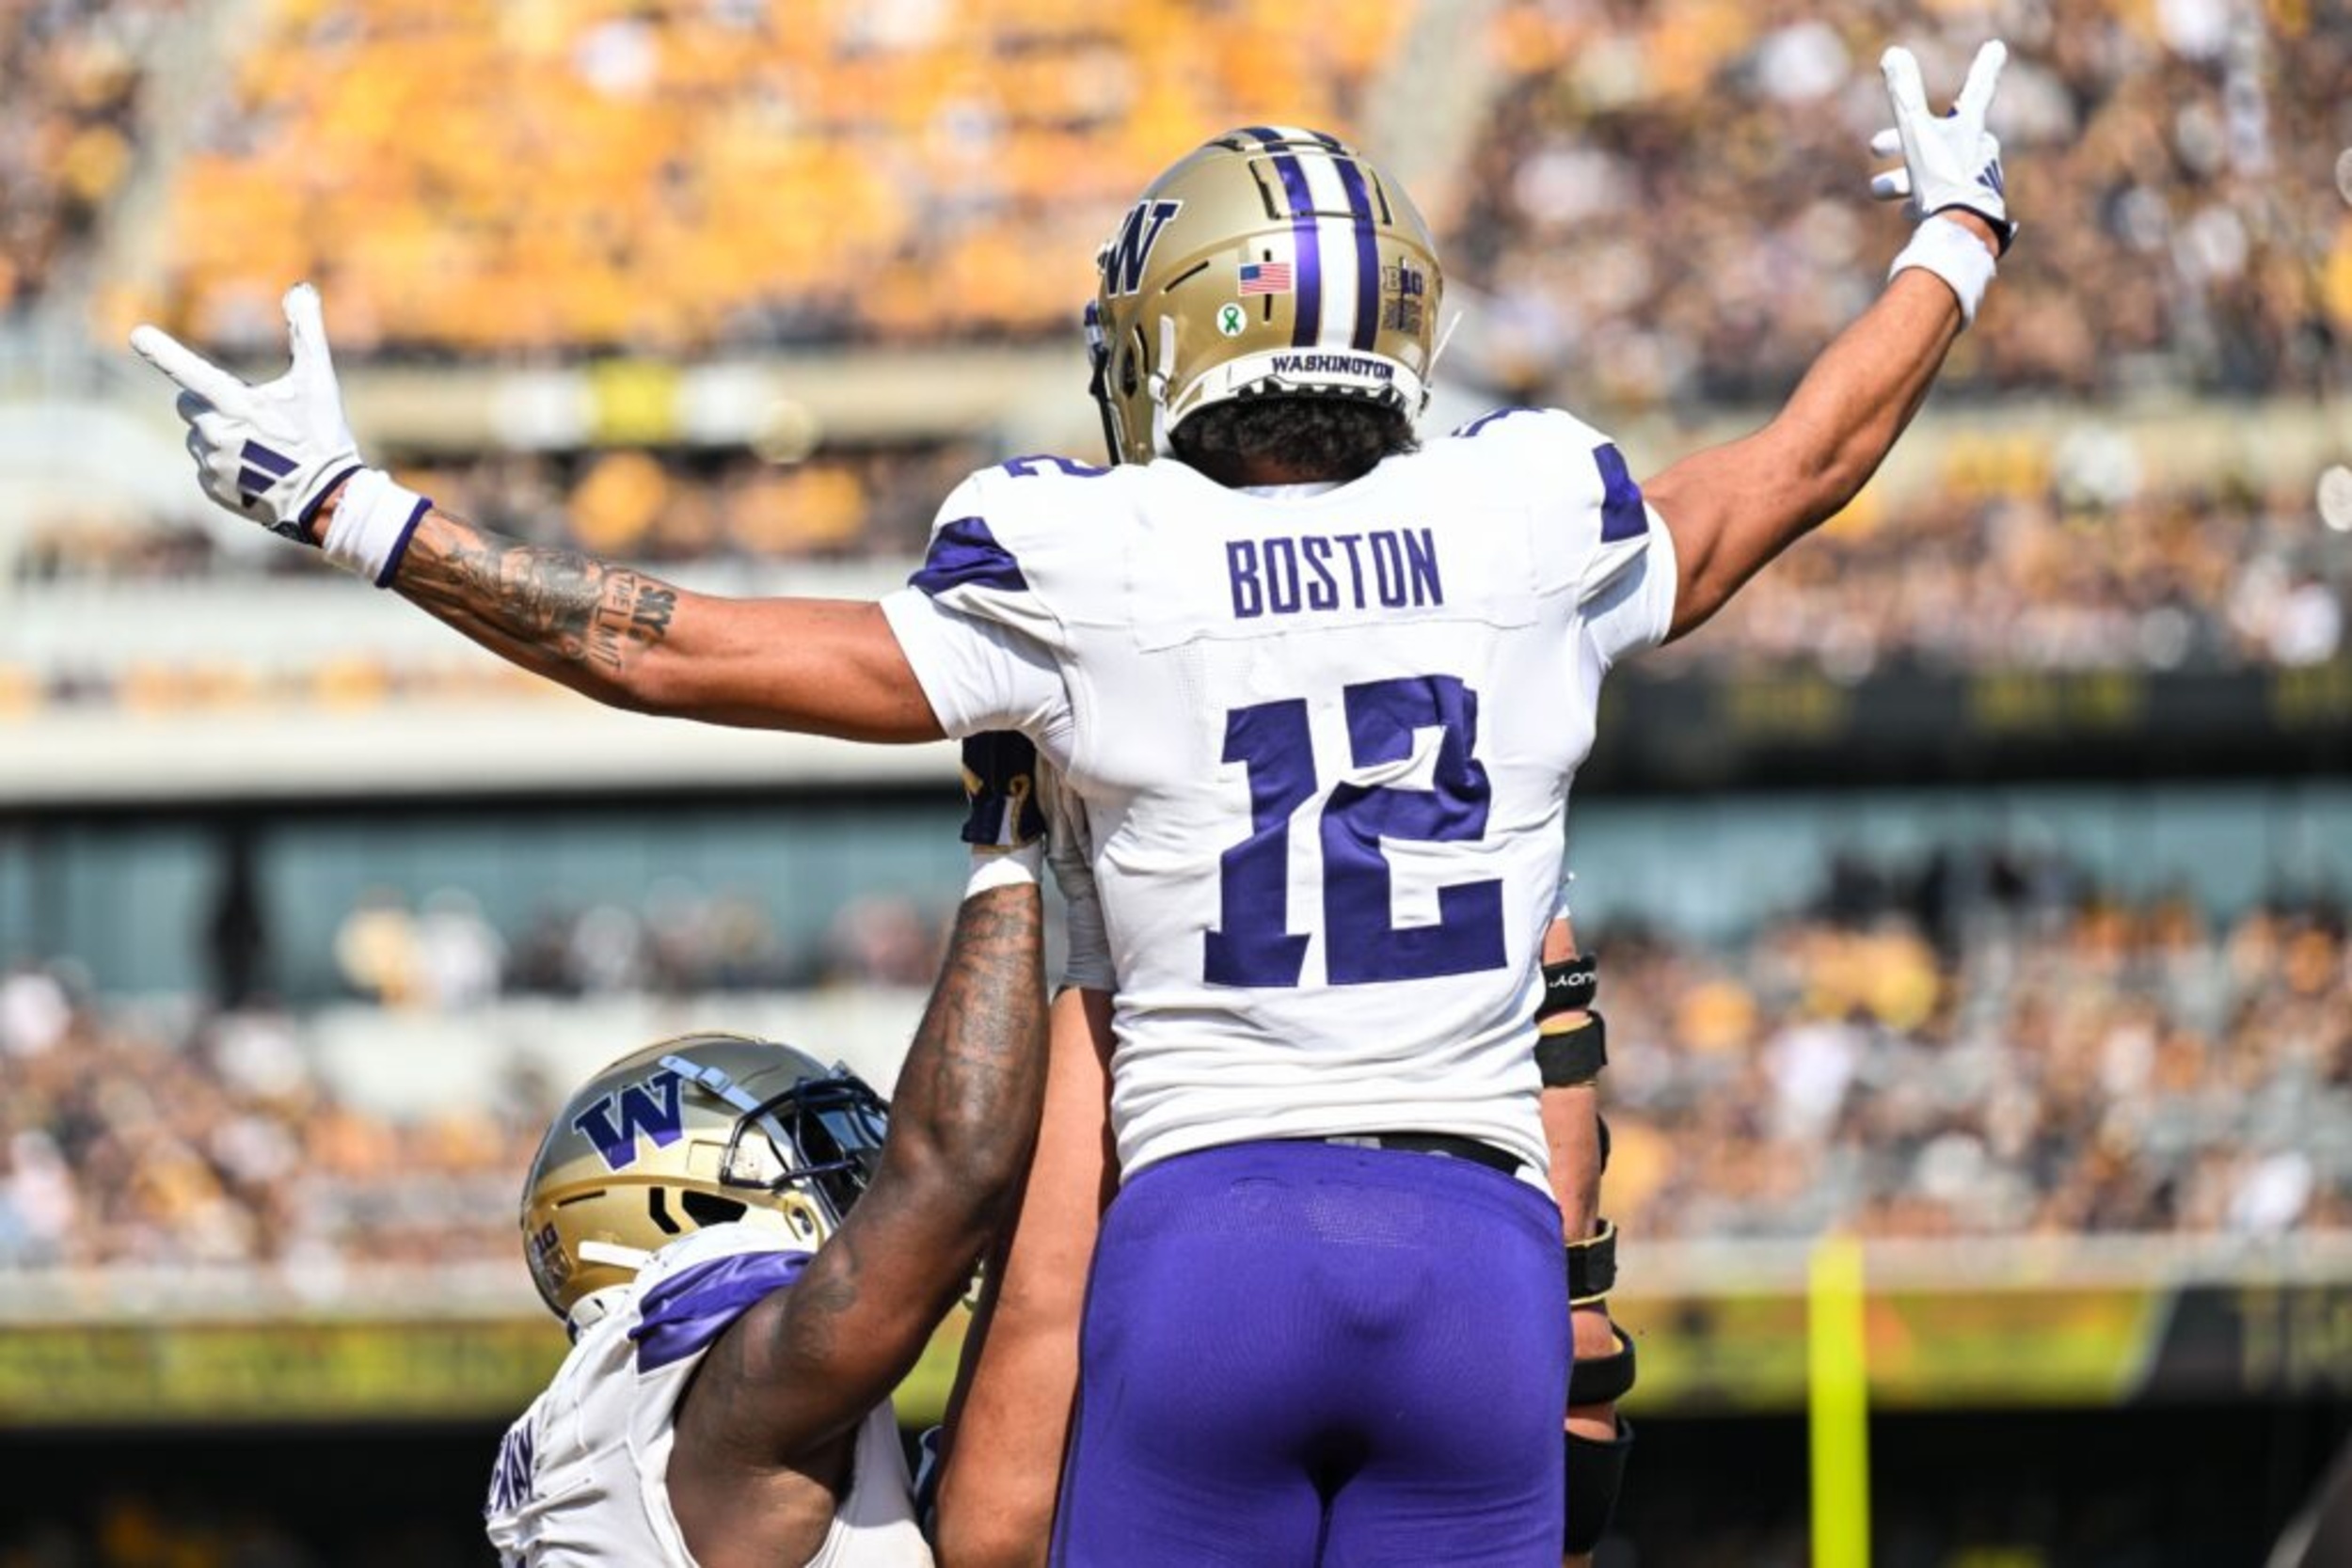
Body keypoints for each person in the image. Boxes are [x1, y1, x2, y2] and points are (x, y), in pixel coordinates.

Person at [137, 41, 2016, 1564]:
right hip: (1478, 1249)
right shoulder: (1527, 513)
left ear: (1169, 336)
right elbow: (1806, 455)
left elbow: (671, 650)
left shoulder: (1087, 558)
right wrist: (1952, 233)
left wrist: (365, 518)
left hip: (1213, 1243)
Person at [482, 736, 1052, 1566]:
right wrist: (1008, 837)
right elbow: (953, 1169)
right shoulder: (718, 1393)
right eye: (813, 1146)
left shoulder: (616, 1411)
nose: (857, 1173)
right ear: (677, 1197)